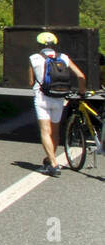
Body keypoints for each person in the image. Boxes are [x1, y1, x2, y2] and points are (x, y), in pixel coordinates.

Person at [28, 31, 86, 175]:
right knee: (55, 130)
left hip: (42, 98)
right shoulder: (64, 58)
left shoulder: (34, 58)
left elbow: (30, 82)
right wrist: (82, 93)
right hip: (59, 98)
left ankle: (53, 164)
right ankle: (50, 159)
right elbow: (81, 76)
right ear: (54, 44)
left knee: (45, 131)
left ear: (39, 45)